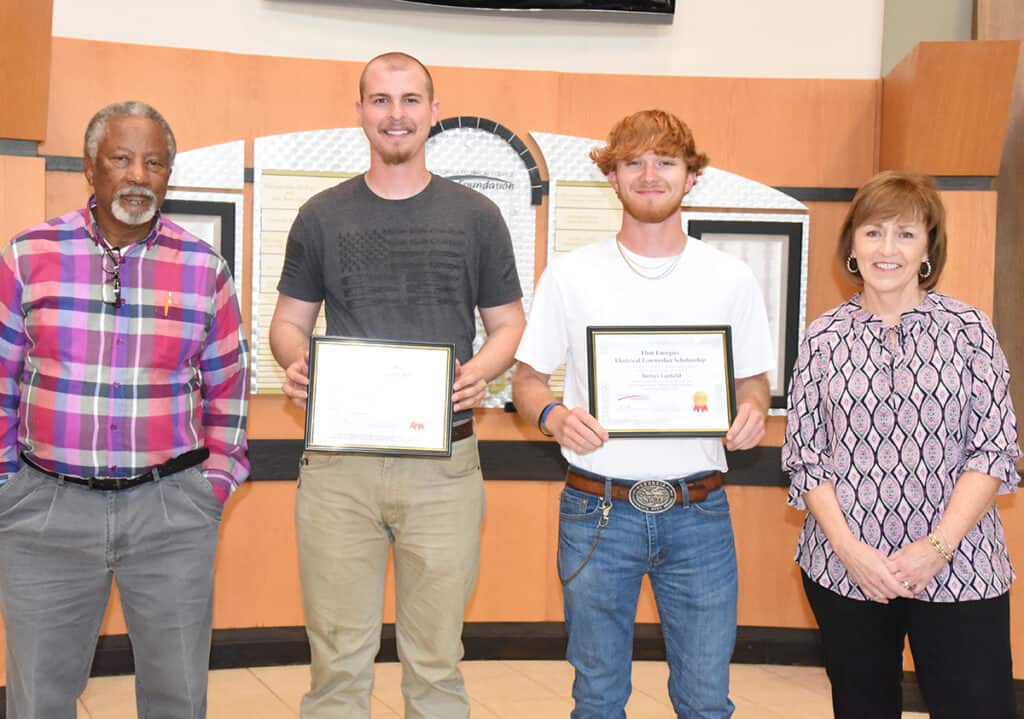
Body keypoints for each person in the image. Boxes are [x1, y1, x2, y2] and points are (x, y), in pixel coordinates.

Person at [268, 52, 525, 718]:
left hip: (443, 467)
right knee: (336, 663)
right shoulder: (321, 215)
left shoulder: (476, 216)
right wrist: (299, 362)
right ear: (359, 112)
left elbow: (508, 323)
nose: (396, 114)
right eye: (380, 100)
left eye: (411, 99)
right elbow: (288, 325)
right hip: (338, 467)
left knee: (436, 661)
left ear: (434, 112)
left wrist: (480, 370)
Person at [512, 109, 773, 719]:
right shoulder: (571, 275)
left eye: (666, 162)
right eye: (633, 162)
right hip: (598, 510)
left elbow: (753, 380)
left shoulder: (729, 277)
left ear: (691, 178)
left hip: (699, 512)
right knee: (598, 699)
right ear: (613, 176)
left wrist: (754, 409)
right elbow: (526, 381)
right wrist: (552, 415)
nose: (650, 175)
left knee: (706, 701)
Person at [0, 100, 250, 718]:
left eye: (155, 163)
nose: (139, 175)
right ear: (91, 168)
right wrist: (9, 482)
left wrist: (211, 486)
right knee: (38, 697)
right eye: (122, 158)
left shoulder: (203, 268)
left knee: (177, 696)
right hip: (45, 511)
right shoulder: (28, 255)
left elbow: (229, 388)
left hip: (171, 513)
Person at [782, 171, 1020, 719]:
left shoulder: (968, 329)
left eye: (906, 234)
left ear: (928, 248)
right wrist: (850, 552)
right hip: (847, 567)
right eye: (873, 232)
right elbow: (806, 460)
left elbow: (993, 450)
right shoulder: (822, 338)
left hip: (960, 562)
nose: (887, 249)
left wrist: (935, 548)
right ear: (852, 244)